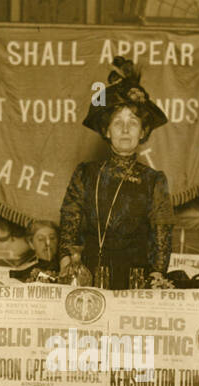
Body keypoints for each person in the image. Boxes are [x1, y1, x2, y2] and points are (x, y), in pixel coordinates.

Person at [59, 57, 174, 290]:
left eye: (132, 123)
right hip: (87, 278)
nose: (124, 129)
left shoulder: (154, 180)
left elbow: (161, 239)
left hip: (135, 281)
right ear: (106, 130)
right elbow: (68, 228)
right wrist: (66, 268)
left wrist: (156, 278)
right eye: (117, 122)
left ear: (142, 132)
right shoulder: (85, 174)